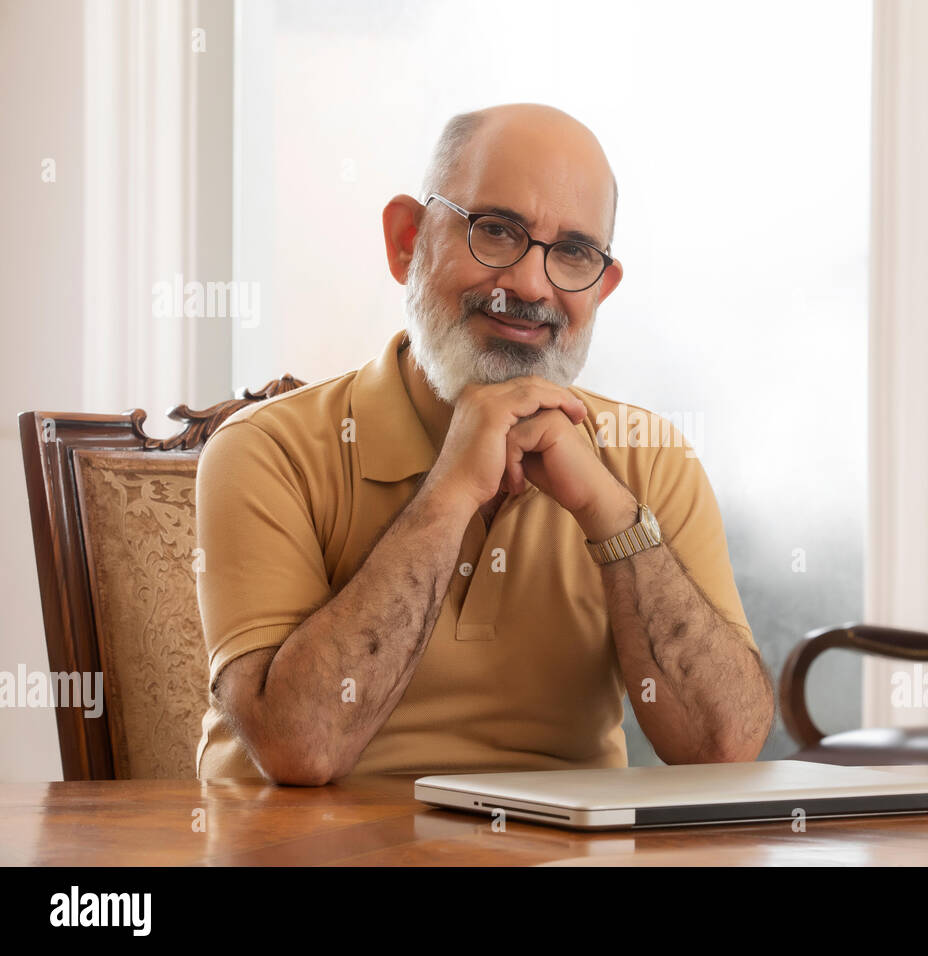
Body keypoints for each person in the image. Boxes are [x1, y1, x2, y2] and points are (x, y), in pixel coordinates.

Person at [195, 103, 773, 784]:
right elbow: (301, 749)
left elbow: (723, 748)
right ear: (406, 241)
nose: (531, 285)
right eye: (496, 232)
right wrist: (450, 494)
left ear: (602, 287)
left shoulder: (650, 457)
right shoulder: (265, 452)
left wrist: (611, 515)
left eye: (573, 253)